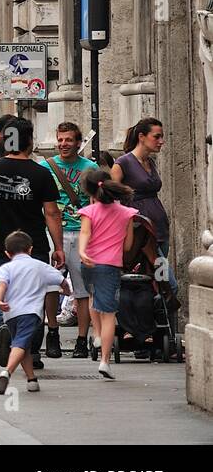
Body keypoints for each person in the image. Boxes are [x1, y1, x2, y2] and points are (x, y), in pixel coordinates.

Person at [0, 116, 62, 371]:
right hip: (36, 248)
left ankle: (8, 333)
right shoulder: (41, 173)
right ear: (30, 141)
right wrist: (60, 247)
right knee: (35, 297)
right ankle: (32, 349)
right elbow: (52, 213)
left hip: (3, 247)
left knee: (6, 293)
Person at [38, 122, 95, 358]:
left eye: (69, 140)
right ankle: (53, 333)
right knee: (50, 286)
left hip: (80, 232)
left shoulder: (90, 168)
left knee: (82, 290)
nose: (63, 144)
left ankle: (82, 339)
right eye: (60, 140)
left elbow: (96, 203)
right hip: (54, 232)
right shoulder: (46, 167)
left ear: (78, 143)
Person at [0, 231, 72, 396]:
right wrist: (66, 290)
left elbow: (1, 284)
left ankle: (31, 379)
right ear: (30, 249)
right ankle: (7, 372)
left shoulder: (6, 268)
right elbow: (60, 279)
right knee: (21, 344)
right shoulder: (39, 266)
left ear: (7, 253)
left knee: (24, 347)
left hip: (11, 313)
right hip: (30, 313)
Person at [77, 168, 137, 379]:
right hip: (110, 265)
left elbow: (85, 233)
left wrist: (83, 251)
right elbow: (128, 245)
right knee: (109, 312)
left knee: (93, 298)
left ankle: (96, 334)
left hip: (89, 264)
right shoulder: (127, 214)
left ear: (90, 192)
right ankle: (105, 360)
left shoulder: (88, 212)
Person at [112, 118, 172, 282]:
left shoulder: (150, 162)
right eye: (156, 137)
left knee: (157, 282)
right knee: (166, 281)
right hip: (141, 234)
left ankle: (157, 307)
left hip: (160, 230)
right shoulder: (123, 163)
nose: (161, 141)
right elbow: (110, 198)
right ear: (141, 137)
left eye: (162, 137)